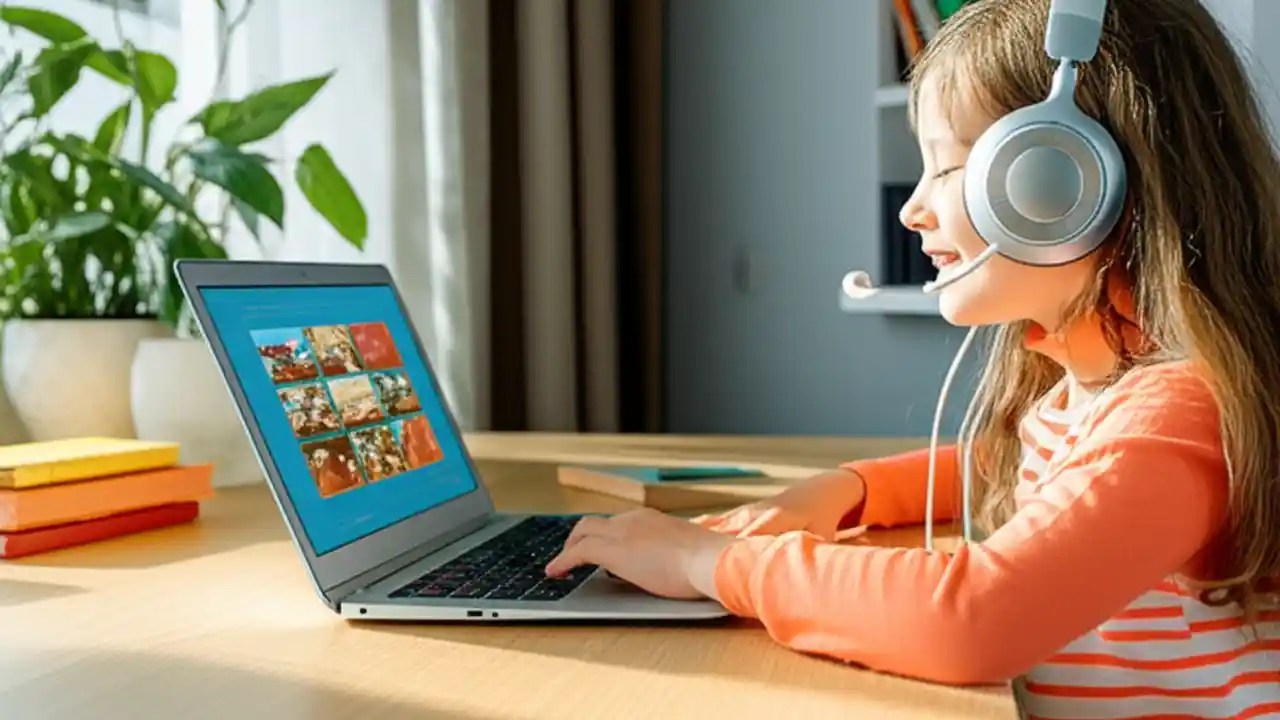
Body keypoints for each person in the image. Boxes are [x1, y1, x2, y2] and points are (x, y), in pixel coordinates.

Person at [544, 0, 1280, 716]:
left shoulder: (1180, 411)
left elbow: (973, 621)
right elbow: (1003, 465)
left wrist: (705, 565)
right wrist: (848, 491)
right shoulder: (1093, 389)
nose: (913, 208)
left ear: (1070, 180)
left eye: (948, 168)